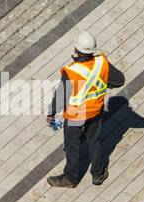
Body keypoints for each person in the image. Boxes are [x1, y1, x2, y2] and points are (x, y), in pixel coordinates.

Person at [45, 30, 125, 187]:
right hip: (95, 111)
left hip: (75, 115)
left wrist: (51, 114)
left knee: (72, 145)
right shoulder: (102, 62)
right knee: (94, 141)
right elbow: (119, 80)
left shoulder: (72, 72)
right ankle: (98, 173)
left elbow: (60, 97)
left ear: (75, 50)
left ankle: (71, 178)